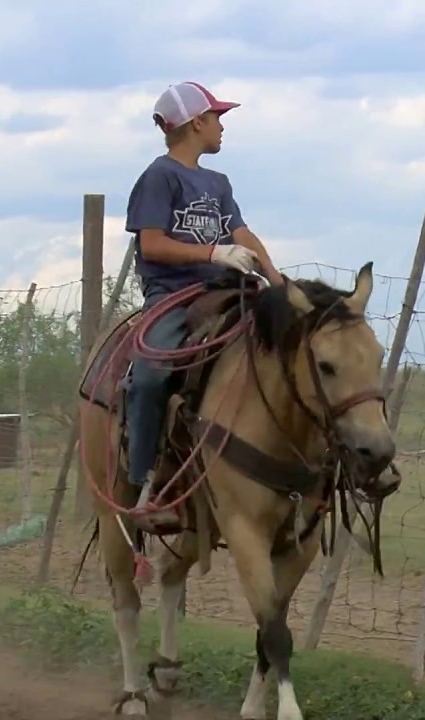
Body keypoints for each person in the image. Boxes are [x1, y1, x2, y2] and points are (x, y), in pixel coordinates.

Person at [123, 81, 285, 518]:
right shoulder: (159, 177)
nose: (222, 126)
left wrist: (276, 281)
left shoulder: (218, 182)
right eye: (217, 117)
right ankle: (144, 480)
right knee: (151, 376)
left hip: (226, 291)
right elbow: (152, 244)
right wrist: (212, 253)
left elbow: (241, 234)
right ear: (197, 123)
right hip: (174, 296)